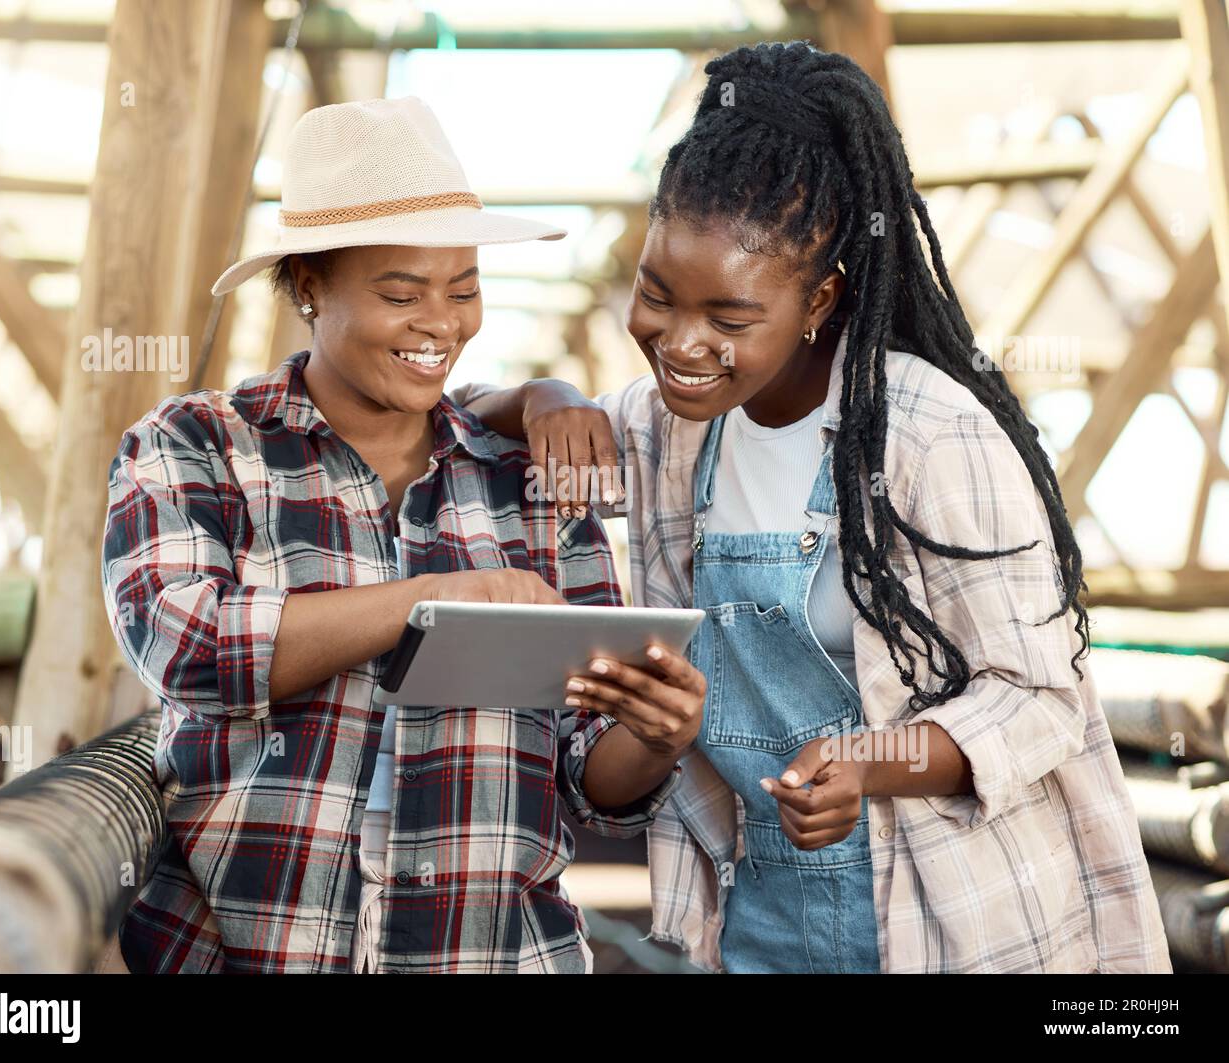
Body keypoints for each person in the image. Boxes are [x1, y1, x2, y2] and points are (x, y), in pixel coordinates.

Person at [460, 42, 1170, 973]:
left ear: (818, 300)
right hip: (762, 912)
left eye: (730, 319)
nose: (680, 343)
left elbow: (1038, 699)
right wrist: (542, 394)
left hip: (955, 916)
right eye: (655, 295)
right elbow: (457, 420)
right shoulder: (666, 431)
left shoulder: (926, 433)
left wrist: (870, 763)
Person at [102, 97, 705, 974]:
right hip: (250, 952)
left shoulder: (529, 482)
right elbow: (187, 642)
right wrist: (430, 600)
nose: (443, 324)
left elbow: (588, 778)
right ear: (308, 285)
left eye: (464, 290)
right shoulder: (196, 446)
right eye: (401, 292)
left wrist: (653, 734)